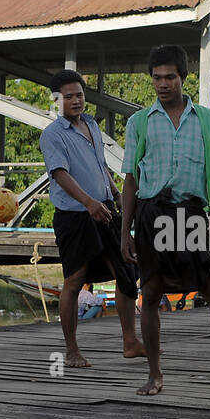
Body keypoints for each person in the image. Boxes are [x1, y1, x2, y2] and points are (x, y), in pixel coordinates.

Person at [120, 44, 210, 396]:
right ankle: (154, 374)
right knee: (149, 292)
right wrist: (126, 231)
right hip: (152, 213)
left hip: (193, 213)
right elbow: (130, 180)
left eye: (170, 77)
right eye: (157, 78)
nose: (163, 84)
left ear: (183, 78)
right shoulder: (139, 123)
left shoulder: (207, 120)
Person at [40, 69, 143, 366]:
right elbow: (60, 174)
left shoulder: (91, 125)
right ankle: (71, 350)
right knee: (74, 280)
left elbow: (100, 165)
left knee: (126, 273)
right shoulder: (52, 135)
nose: (76, 101)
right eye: (68, 97)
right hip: (75, 216)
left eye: (80, 95)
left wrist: (115, 195)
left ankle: (130, 342)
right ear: (57, 100)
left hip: (105, 210)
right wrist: (88, 203)